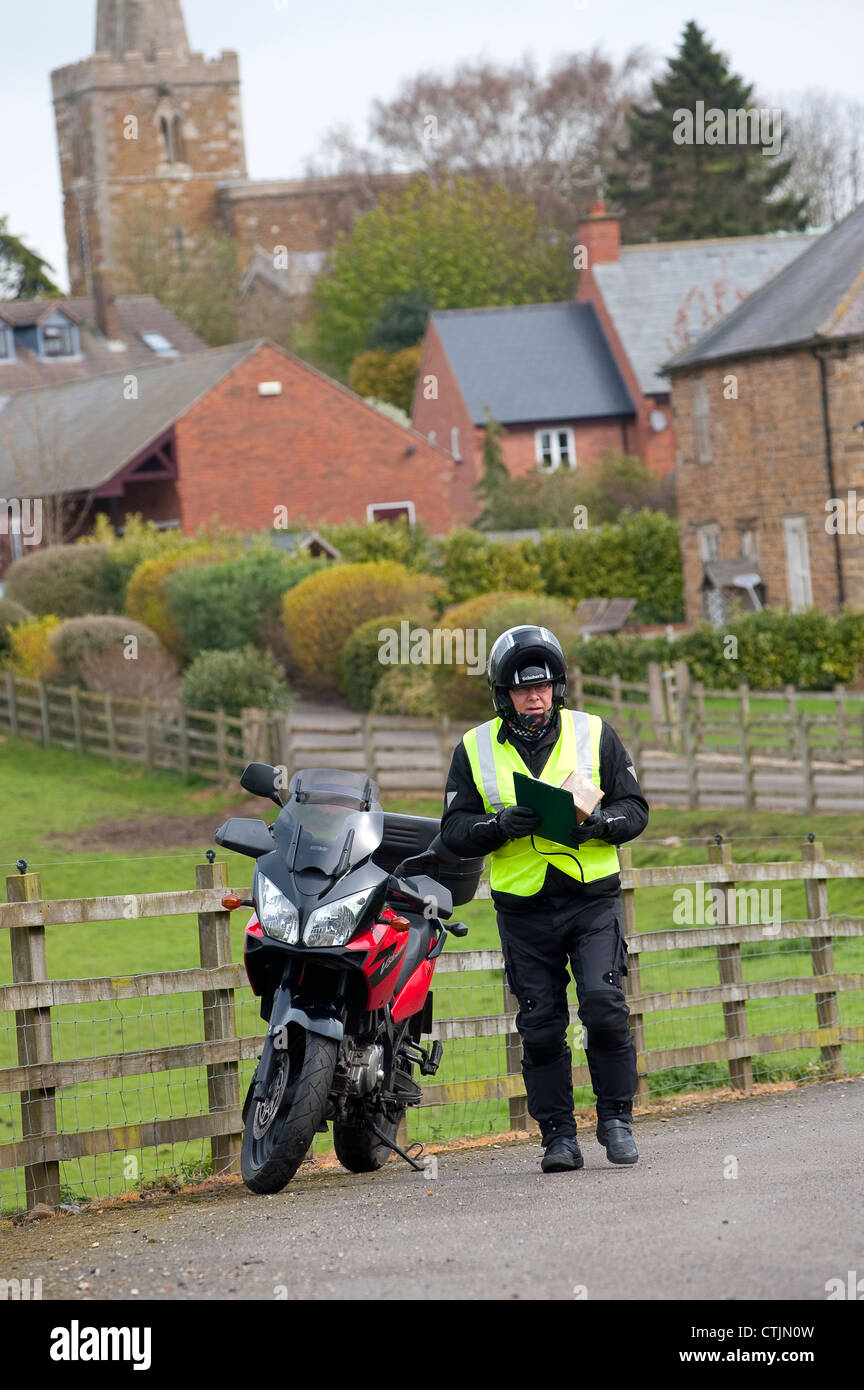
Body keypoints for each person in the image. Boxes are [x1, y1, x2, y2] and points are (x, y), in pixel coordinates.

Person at [440, 624, 649, 1173]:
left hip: (591, 900)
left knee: (604, 1009)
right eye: (522, 688)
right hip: (524, 909)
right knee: (541, 1023)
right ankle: (558, 1136)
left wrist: (602, 824)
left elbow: (637, 811)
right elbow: (455, 830)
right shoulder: (473, 747)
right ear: (502, 693)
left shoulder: (596, 733)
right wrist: (498, 825)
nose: (536, 696)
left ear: (558, 687)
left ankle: (616, 1119)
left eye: (545, 686)